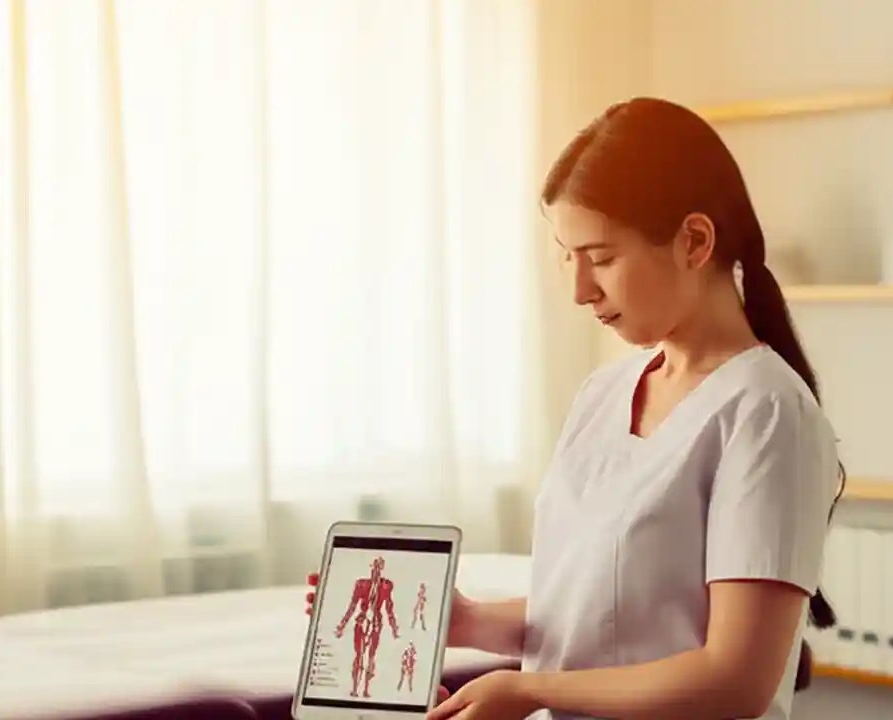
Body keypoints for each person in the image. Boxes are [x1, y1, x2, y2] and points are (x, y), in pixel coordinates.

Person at [306, 97, 844, 720]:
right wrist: (469, 621)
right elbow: (598, 612)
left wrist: (530, 690)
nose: (579, 289)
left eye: (602, 258)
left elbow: (737, 680)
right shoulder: (603, 396)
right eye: (567, 255)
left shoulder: (767, 413)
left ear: (694, 241)